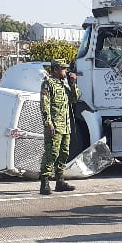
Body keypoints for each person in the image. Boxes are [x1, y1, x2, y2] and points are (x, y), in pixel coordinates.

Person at [39, 59, 80, 195]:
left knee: (64, 153)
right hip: (54, 126)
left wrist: (73, 83)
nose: (66, 71)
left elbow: (75, 98)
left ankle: (60, 181)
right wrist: (48, 122)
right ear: (56, 69)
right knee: (52, 153)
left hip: (66, 125)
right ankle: (44, 182)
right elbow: (44, 104)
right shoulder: (48, 84)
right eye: (63, 69)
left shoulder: (65, 84)